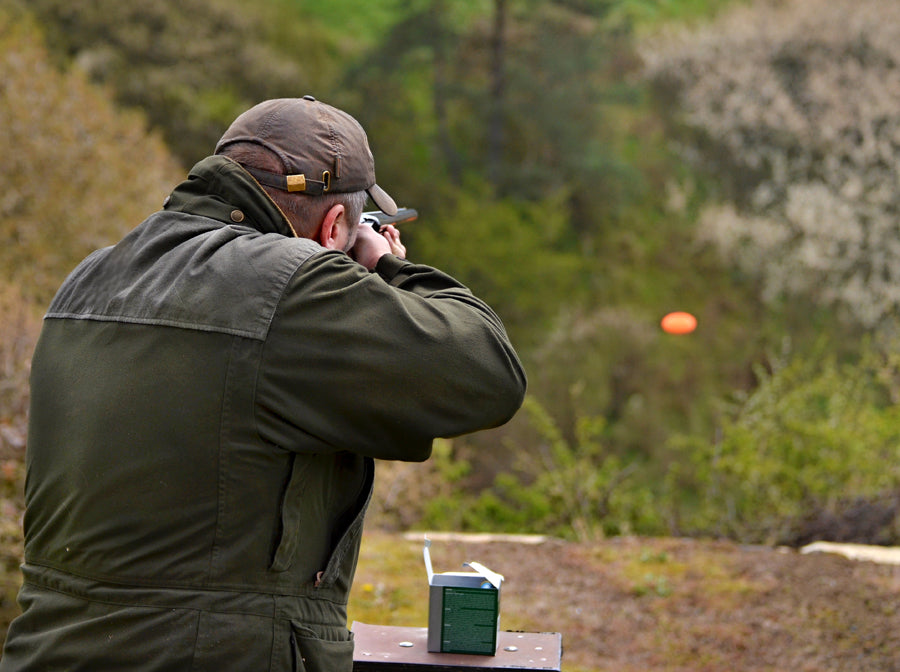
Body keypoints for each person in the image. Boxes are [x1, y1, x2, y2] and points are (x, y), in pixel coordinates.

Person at [0, 96, 526, 671]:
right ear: (333, 227)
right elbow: (487, 372)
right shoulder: (292, 289)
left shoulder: (87, 278)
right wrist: (386, 268)